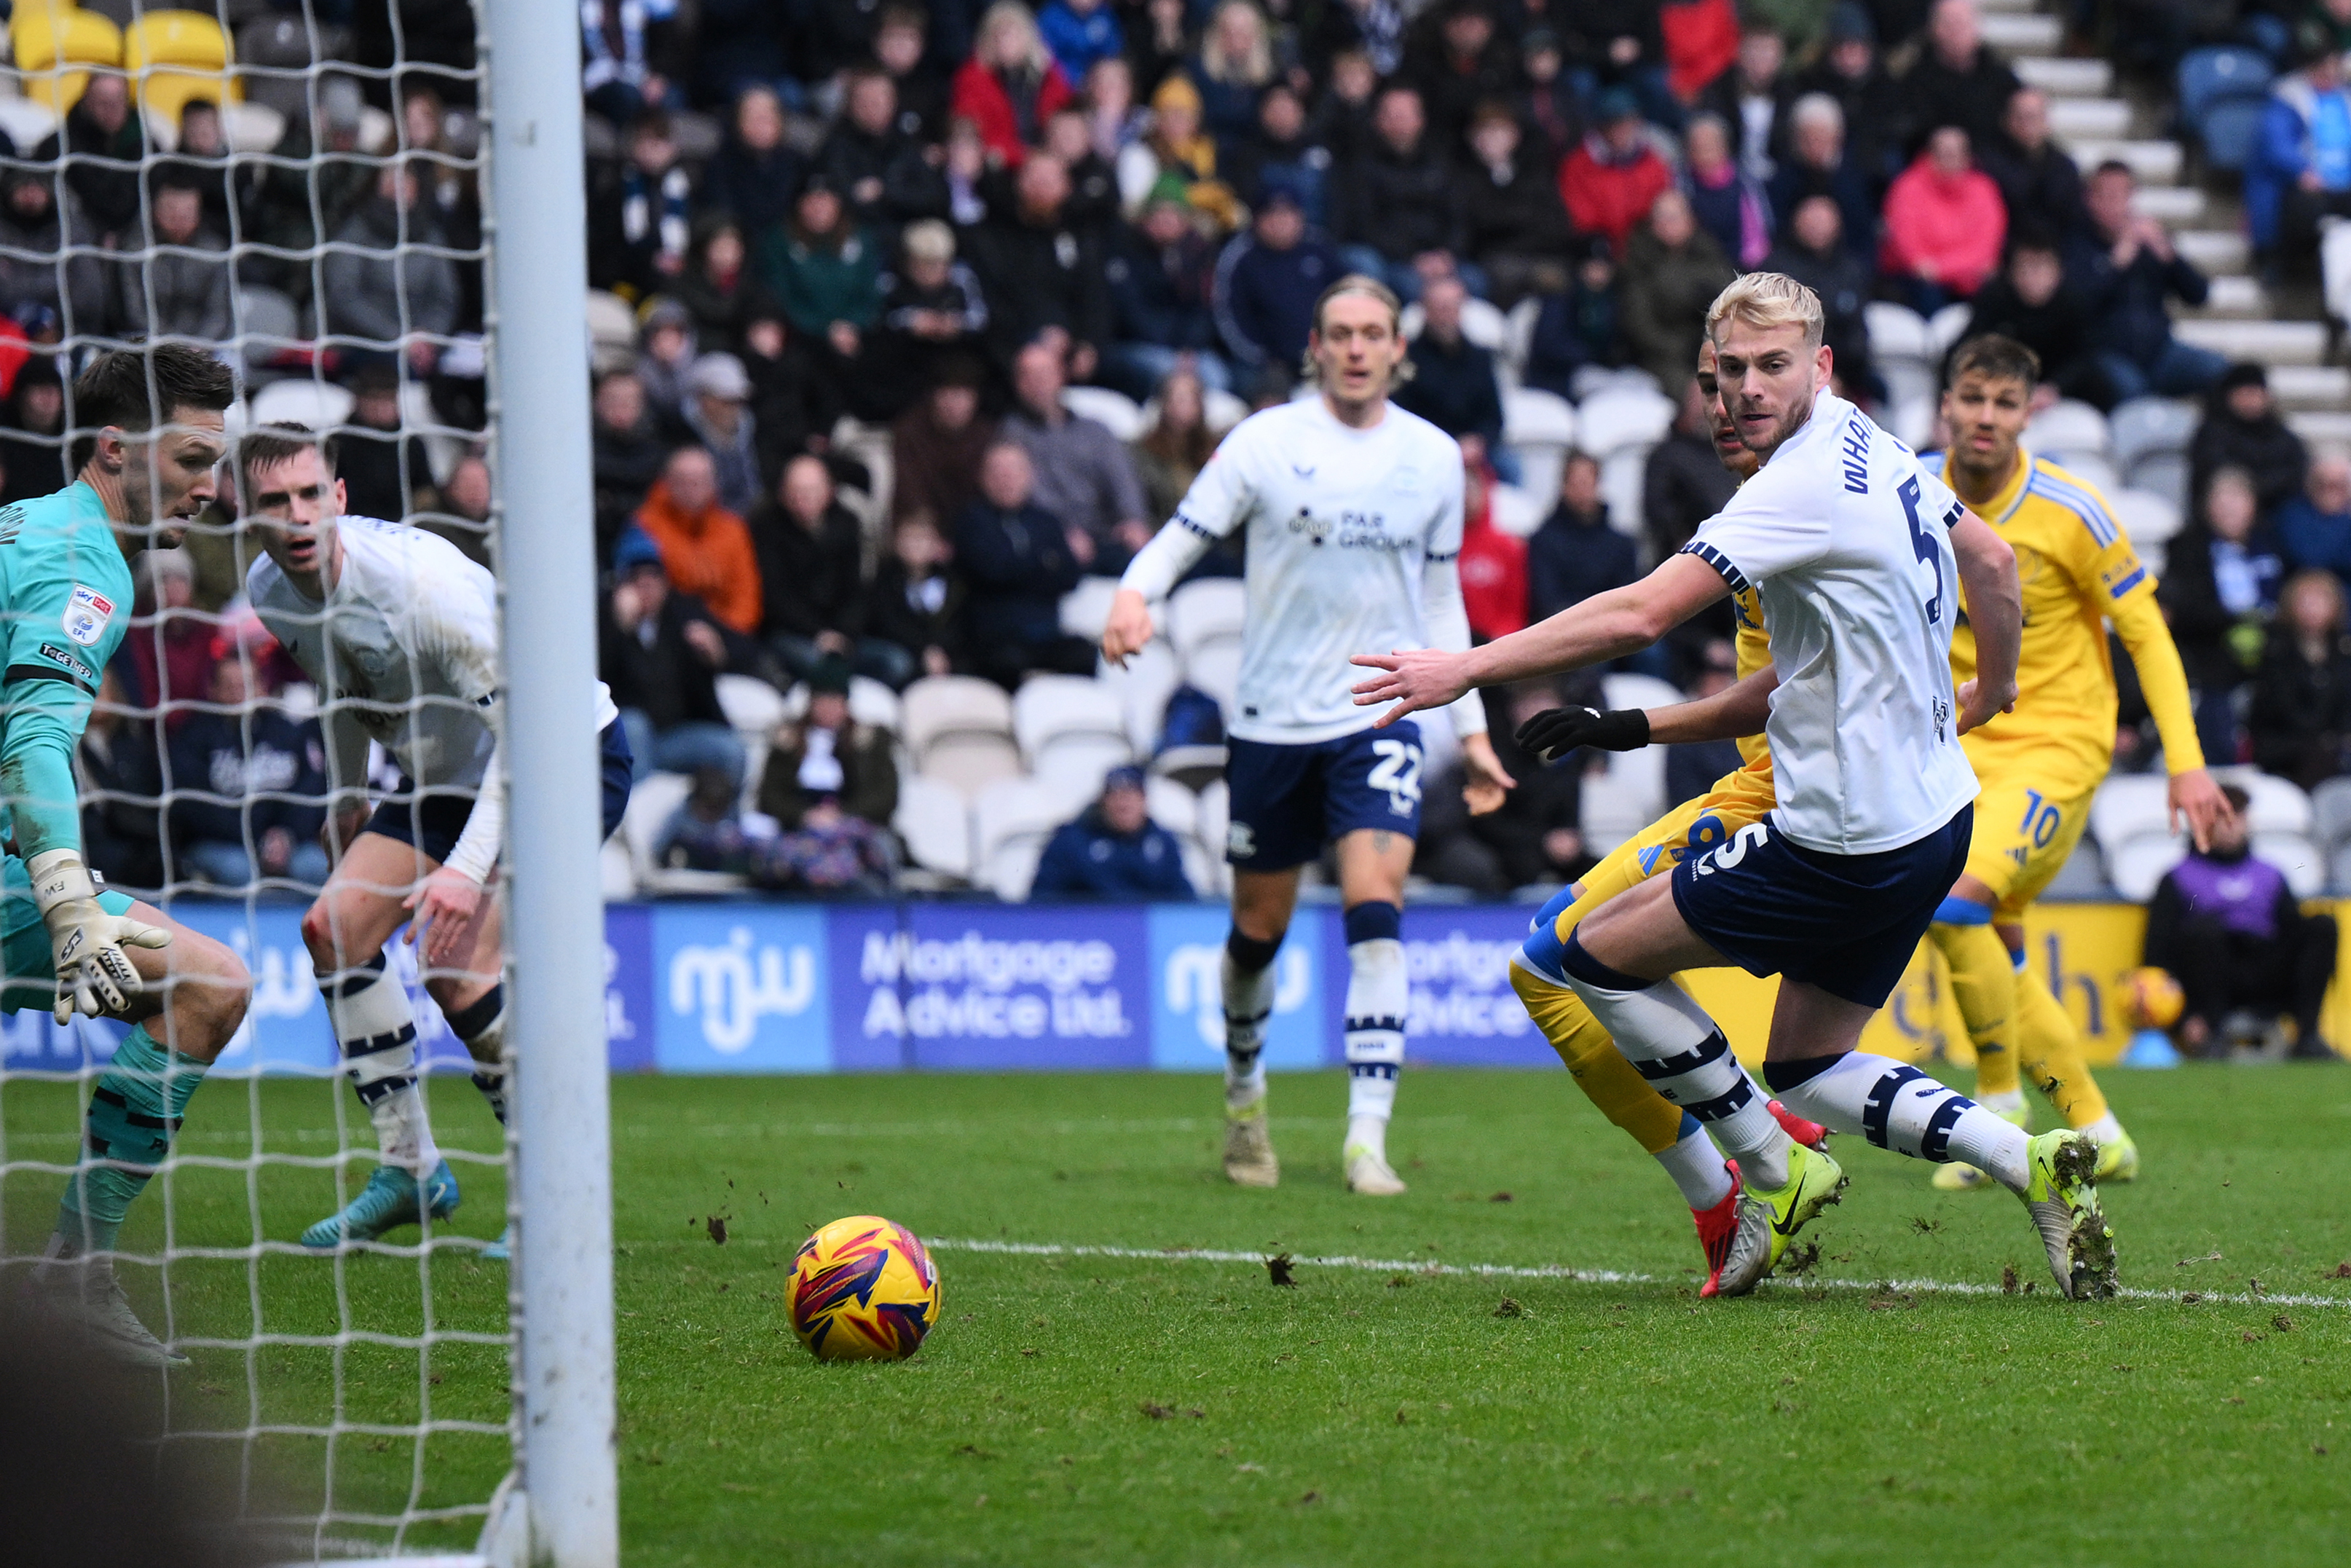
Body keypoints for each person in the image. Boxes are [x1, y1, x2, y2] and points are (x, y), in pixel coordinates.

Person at [1355, 275, 2114, 1301]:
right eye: (1730, 372)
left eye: (1772, 366)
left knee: (1590, 959)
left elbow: (1637, 617)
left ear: (1821, 365)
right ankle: (2027, 1160)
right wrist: (1999, 686)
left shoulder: (1793, 488)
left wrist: (1465, 668)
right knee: (1808, 1062)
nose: (1749, 390)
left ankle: (1769, 1166)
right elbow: (1987, 559)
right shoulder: (1870, 441)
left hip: (1838, 838)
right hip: (1935, 818)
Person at [1101, 275, 1515, 1197]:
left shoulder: (1434, 457)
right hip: (1272, 724)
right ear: (1317, 348)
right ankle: (1245, 1095)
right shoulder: (1265, 442)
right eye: (1341, 333)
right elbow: (1183, 533)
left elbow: (1442, 598)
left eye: (1374, 332)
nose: (1359, 348)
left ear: (1400, 349)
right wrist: (1135, 592)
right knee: (1260, 928)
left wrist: (1472, 725)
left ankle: (1366, 1139)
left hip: (1379, 714)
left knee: (1378, 909)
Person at [240, 423, 632, 1256]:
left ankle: (558, 1195)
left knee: (455, 966)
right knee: (331, 929)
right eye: (276, 501)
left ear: (340, 499)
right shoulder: (269, 588)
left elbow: (529, 734)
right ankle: (412, 1168)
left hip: (562, 757)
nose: (298, 516)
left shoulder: (425, 590)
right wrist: (348, 797)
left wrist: (461, 872)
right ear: (251, 514)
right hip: (448, 777)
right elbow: (338, 679)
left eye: (313, 495)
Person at [1915, 335, 2224, 1189]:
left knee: (1955, 903)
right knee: (1993, 940)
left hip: (2058, 743)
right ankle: (2099, 1127)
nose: (1985, 417)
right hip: (1954, 745)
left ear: (2029, 412)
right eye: (1972, 398)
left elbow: (2146, 633)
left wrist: (2186, 763)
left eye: (2003, 403)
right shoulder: (1904, 488)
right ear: (1946, 403)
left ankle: (1999, 1100)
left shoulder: (2071, 509)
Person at [7, 346, 253, 1366]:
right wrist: (68, 902)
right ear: (116, 448)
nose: (211, 485)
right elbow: (33, 740)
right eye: (193, 457)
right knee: (210, 986)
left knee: (207, 982)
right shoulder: (83, 562)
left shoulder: (25, 526)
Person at [2143, 785, 2339, 1060]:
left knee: (2322, 926)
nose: (2231, 826)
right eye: (2222, 816)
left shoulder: (2270, 875)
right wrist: (2183, 1018)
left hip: (2265, 970)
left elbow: (2292, 932)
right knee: (2203, 932)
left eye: (2238, 817)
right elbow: (2157, 957)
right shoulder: (2177, 878)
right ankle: (2209, 1035)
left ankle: (2307, 1035)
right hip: (2209, 980)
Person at [165, 647, 331, 889]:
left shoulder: (287, 733)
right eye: (230, 687)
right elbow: (194, 808)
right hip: (220, 844)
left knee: (316, 866)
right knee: (239, 870)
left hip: (286, 844)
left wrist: (286, 834)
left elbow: (309, 791)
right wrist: (256, 840)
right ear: (213, 690)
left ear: (263, 688)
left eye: (247, 686)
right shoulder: (192, 738)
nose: (239, 696)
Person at [2161, 466, 2288, 765]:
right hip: (2208, 650)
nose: (2230, 507)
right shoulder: (2187, 547)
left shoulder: (2269, 544)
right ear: (2207, 506)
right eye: (2222, 499)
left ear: (2252, 506)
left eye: (2238, 499)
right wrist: (2236, 620)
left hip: (2270, 649)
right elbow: (2181, 609)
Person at [2071, 161, 2226, 405]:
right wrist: (2115, 265)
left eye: (2123, 195)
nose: (2116, 204)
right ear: (2090, 199)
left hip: (2159, 351)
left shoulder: (2148, 243)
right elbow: (2077, 306)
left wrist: (2170, 256)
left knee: (2221, 371)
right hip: (2107, 353)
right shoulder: (2077, 244)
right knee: (2131, 389)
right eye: (2108, 195)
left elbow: (2199, 295)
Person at [602, 529, 747, 787]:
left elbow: (745, 648)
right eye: (636, 578)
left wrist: (715, 655)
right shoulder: (603, 621)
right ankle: (635, 818)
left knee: (731, 750)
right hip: (629, 737)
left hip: (674, 736)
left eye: (654, 577)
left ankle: (721, 824)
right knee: (633, 725)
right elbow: (599, 681)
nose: (647, 587)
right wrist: (619, 628)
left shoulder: (681, 617)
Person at [758, 454, 910, 688]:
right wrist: (818, 633)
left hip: (841, 636)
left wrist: (843, 633)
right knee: (822, 669)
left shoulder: (847, 524)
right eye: (795, 492)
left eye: (811, 492)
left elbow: (857, 591)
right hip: (793, 633)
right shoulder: (767, 528)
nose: (802, 500)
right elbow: (775, 597)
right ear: (783, 494)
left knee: (896, 663)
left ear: (829, 492)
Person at [957, 441, 1101, 686]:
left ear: (1029, 476)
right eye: (998, 473)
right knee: (1004, 661)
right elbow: (991, 571)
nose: (1006, 480)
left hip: (1046, 634)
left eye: (1013, 471)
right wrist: (1043, 563)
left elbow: (1068, 576)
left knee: (1084, 653)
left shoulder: (1046, 521)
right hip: (996, 638)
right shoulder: (971, 521)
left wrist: (1020, 566)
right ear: (983, 478)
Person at [752, 659, 899, 894]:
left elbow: (885, 797)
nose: (828, 708)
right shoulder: (787, 742)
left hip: (853, 829)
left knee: (876, 854)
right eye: (822, 700)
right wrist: (805, 816)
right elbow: (769, 796)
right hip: (801, 831)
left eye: (835, 700)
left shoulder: (870, 741)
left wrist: (841, 815)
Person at [1001, 340, 1153, 564]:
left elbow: (1123, 480)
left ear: (1061, 375)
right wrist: (1061, 531)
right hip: (1051, 543)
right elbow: (1028, 494)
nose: (1038, 383)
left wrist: (1133, 520)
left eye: (1045, 373)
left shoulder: (1096, 431)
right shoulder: (1011, 435)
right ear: (1017, 383)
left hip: (1110, 535)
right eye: (1028, 375)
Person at [1334, 85, 1471, 302]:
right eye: (1392, 115)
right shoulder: (1362, 166)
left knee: (1475, 281)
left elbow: (1458, 216)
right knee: (1406, 284)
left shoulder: (1440, 163)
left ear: (1421, 119)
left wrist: (1447, 254)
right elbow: (1365, 225)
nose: (1400, 122)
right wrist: (1413, 258)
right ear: (1378, 120)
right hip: (1393, 259)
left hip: (1441, 258)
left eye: (1406, 115)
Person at [1103, 181, 1230, 399]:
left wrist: (1189, 346)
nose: (1165, 223)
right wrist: (1174, 348)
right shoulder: (1124, 253)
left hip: (1186, 350)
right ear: (1144, 218)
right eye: (1158, 216)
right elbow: (1131, 312)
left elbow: (1204, 309)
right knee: (1164, 371)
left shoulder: (1197, 255)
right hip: (1136, 344)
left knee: (1216, 375)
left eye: (1173, 216)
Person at [1961, 232, 2107, 409]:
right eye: (2025, 267)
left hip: (2062, 398)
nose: (2034, 278)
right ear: (2012, 272)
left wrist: (2055, 387)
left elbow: (2085, 357)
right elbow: (1965, 351)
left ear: (2058, 271)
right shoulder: (1995, 300)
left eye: (2042, 267)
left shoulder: (2073, 303)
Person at [631, 445, 763, 637]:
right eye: (683, 481)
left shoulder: (734, 530)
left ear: (714, 484)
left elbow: (746, 598)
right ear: (667, 483)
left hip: (729, 635)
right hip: (670, 635)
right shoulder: (644, 527)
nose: (691, 489)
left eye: (700, 481)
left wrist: (725, 636)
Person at [1213, 187, 1342, 379]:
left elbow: (1345, 294)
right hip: (1264, 363)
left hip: (1324, 356)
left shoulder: (1319, 247)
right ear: (1257, 220)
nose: (1280, 222)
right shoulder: (1240, 257)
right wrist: (1261, 358)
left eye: (1287, 214)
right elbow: (1228, 316)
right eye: (1271, 215)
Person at [1878, 125, 2006, 315]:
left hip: (1967, 280)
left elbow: (1986, 248)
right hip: (1921, 284)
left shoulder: (1984, 189)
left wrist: (1941, 268)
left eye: (1956, 153)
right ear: (1930, 154)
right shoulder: (1907, 188)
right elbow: (1910, 250)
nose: (1950, 159)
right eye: (1943, 153)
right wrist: (1937, 270)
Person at [1457, 100, 1575, 307]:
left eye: (1500, 131)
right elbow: (1479, 226)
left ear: (1515, 136)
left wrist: (1510, 224)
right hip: (1494, 261)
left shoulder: (1533, 175)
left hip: (1537, 256)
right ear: (1473, 139)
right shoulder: (1463, 179)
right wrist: (1518, 221)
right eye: (1486, 131)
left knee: (1560, 277)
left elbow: (1556, 224)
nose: (1493, 138)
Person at [2248, 41, 2351, 269]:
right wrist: (2302, 171)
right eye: (2325, 67)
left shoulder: (2345, 99)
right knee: (2306, 207)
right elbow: (2277, 143)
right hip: (2307, 184)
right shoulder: (2287, 98)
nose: (2330, 74)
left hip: (2345, 184)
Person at [1621, 191, 1736, 394]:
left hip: (1714, 346)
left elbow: (1730, 302)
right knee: (1698, 391)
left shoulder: (1709, 252)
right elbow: (1640, 325)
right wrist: (1686, 348)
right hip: (1663, 356)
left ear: (1689, 220)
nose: (1667, 225)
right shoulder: (1640, 261)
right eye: (1660, 219)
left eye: (1673, 218)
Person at [1031, 765, 1198, 898]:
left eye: (1131, 796)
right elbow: (1043, 898)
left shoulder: (1163, 843)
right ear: (1103, 801)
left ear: (1144, 801)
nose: (1123, 804)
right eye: (1115, 796)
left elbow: (1183, 900)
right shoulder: (1072, 842)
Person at [2249, 570, 2351, 787]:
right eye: (2306, 601)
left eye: (2320, 600)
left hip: (2333, 745)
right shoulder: (2276, 651)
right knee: (2317, 758)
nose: (2313, 609)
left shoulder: (2344, 651)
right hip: (2285, 745)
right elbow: (2279, 709)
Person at [1393, 273, 1505, 460]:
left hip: (1473, 450)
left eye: (1452, 307)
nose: (1446, 315)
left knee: (1509, 465)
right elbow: (1401, 414)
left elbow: (1494, 417)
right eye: (1440, 308)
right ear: (1425, 310)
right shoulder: (1405, 358)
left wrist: (1479, 441)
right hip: (1423, 448)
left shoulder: (1480, 358)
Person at [952, 1, 1076, 169]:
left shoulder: (1048, 73)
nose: (1005, 42)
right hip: (998, 164)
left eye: (1013, 34)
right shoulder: (972, 78)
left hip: (1048, 160)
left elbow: (1064, 114)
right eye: (999, 35)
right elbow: (974, 131)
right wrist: (1023, 156)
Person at [1559, 87, 1674, 255]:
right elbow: (1581, 220)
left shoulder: (1652, 161)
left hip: (1650, 247)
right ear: (1601, 127)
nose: (1623, 130)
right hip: (1602, 251)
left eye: (1628, 122)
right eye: (1614, 124)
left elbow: (1665, 203)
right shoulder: (1579, 166)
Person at [1898, 0, 2020, 157]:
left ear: (1976, 28)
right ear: (1933, 30)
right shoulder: (1913, 79)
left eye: (1963, 24)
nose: (1956, 32)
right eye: (1949, 24)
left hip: (1991, 165)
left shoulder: (1999, 76)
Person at [2190, 363, 2311, 517]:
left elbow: (2298, 472)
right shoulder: (2212, 436)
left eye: (2256, 394)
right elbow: (2214, 471)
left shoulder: (2283, 437)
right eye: (2245, 394)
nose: (2251, 401)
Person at [891, 358, 996, 531]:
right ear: (934, 396)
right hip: (922, 527)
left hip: (977, 527)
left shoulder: (987, 435)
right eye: (947, 394)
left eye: (962, 395)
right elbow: (909, 491)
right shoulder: (910, 433)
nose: (953, 404)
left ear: (975, 400)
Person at [1529, 452, 1637, 622]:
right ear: (1564, 486)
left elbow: (1627, 599)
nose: (1581, 490)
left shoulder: (1621, 545)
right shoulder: (1543, 541)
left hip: (1613, 630)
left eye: (1587, 482)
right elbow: (1546, 601)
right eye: (1575, 483)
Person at [1979, 87, 2088, 245]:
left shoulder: (2064, 167)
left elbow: (2073, 217)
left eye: (2033, 117)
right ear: (2006, 121)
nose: (2026, 124)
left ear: (2046, 121)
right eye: (2020, 117)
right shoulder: (1987, 164)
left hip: (2053, 251)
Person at [869, 514, 971, 680]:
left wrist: (939, 648)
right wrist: (924, 649)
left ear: (936, 545)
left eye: (922, 539)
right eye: (908, 538)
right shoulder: (887, 579)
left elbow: (958, 622)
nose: (915, 546)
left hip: (945, 651)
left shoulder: (951, 581)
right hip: (906, 650)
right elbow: (889, 623)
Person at [1677, 112, 1773, 272]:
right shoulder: (1683, 184)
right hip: (1696, 267)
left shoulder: (1745, 182)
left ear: (1724, 147)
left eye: (1710, 146)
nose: (1704, 153)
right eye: (1698, 147)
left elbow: (1760, 233)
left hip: (1742, 268)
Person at [2277, 452, 2351, 584]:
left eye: (2338, 485)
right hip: (2304, 591)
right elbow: (2311, 558)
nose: (2330, 492)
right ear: (2310, 484)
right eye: (2322, 484)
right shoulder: (2293, 514)